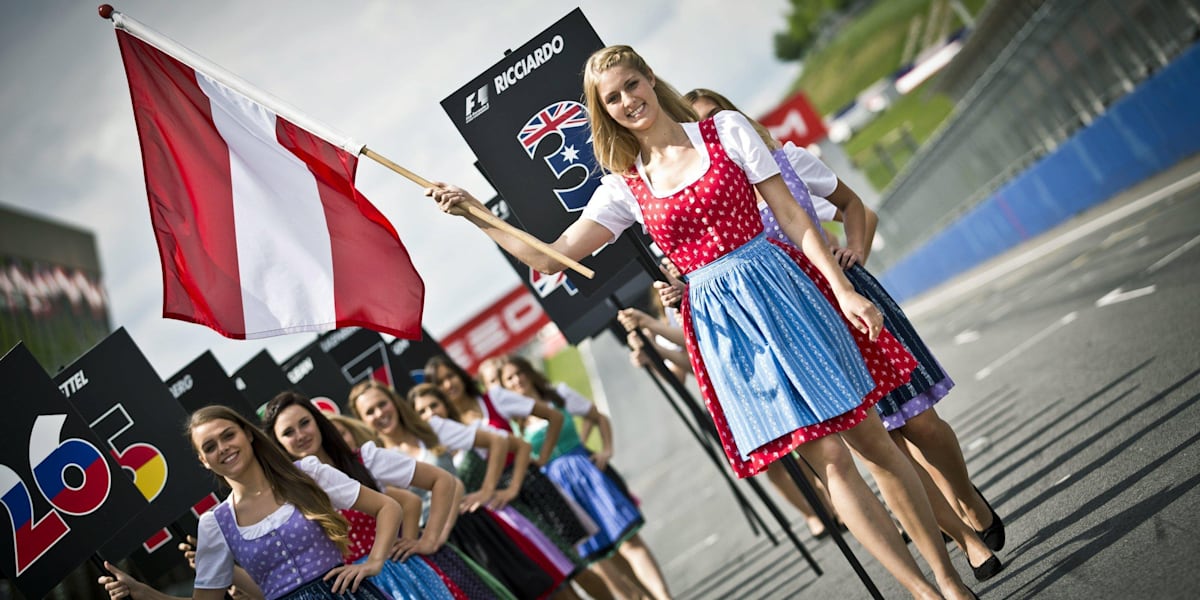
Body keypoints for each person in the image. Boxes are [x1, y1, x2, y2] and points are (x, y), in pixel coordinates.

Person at [424, 45, 977, 599]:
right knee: (828, 457)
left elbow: (789, 213)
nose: (626, 101)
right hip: (723, 322)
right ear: (602, 111)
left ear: (650, 80)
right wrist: (477, 214)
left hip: (783, 286)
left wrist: (843, 287)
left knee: (872, 441)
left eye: (631, 85)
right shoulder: (623, 186)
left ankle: (948, 577)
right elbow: (551, 257)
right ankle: (922, 592)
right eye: (610, 98)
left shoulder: (726, 131)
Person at [682, 87, 1005, 576]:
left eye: (719, 119)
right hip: (794, 320)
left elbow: (858, 207)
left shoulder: (784, 159)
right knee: (882, 448)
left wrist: (854, 250)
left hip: (845, 295)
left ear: (736, 119)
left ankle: (966, 499)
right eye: (700, 127)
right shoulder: (702, 204)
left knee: (920, 424)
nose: (716, 136)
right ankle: (963, 542)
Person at [98, 405, 398, 600]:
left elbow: (388, 507)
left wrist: (373, 562)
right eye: (210, 447)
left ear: (248, 435)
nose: (224, 448)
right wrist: (142, 592)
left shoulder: (307, 473)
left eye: (228, 435)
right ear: (204, 461)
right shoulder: (215, 523)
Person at [350, 379, 574, 599]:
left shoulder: (431, 429)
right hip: (434, 544)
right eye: (370, 411)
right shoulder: (374, 460)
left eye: (382, 404)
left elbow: (498, 442)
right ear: (361, 420)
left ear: (394, 402)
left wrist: (488, 490)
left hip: (473, 527)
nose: (379, 413)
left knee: (538, 590)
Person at [262, 391, 469, 600]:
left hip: (399, 577)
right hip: (350, 591)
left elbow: (442, 480)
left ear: (318, 422)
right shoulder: (288, 495)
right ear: (277, 444)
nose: (300, 435)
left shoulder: (364, 460)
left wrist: (429, 540)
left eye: (304, 423)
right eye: (288, 432)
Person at [498, 355, 670, 600]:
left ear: (529, 372)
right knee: (605, 554)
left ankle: (664, 597)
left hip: (587, 476)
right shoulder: (516, 422)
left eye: (519, 373)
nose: (516, 381)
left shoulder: (557, 394)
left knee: (628, 540)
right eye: (509, 379)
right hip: (559, 493)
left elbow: (597, 416)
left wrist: (605, 450)